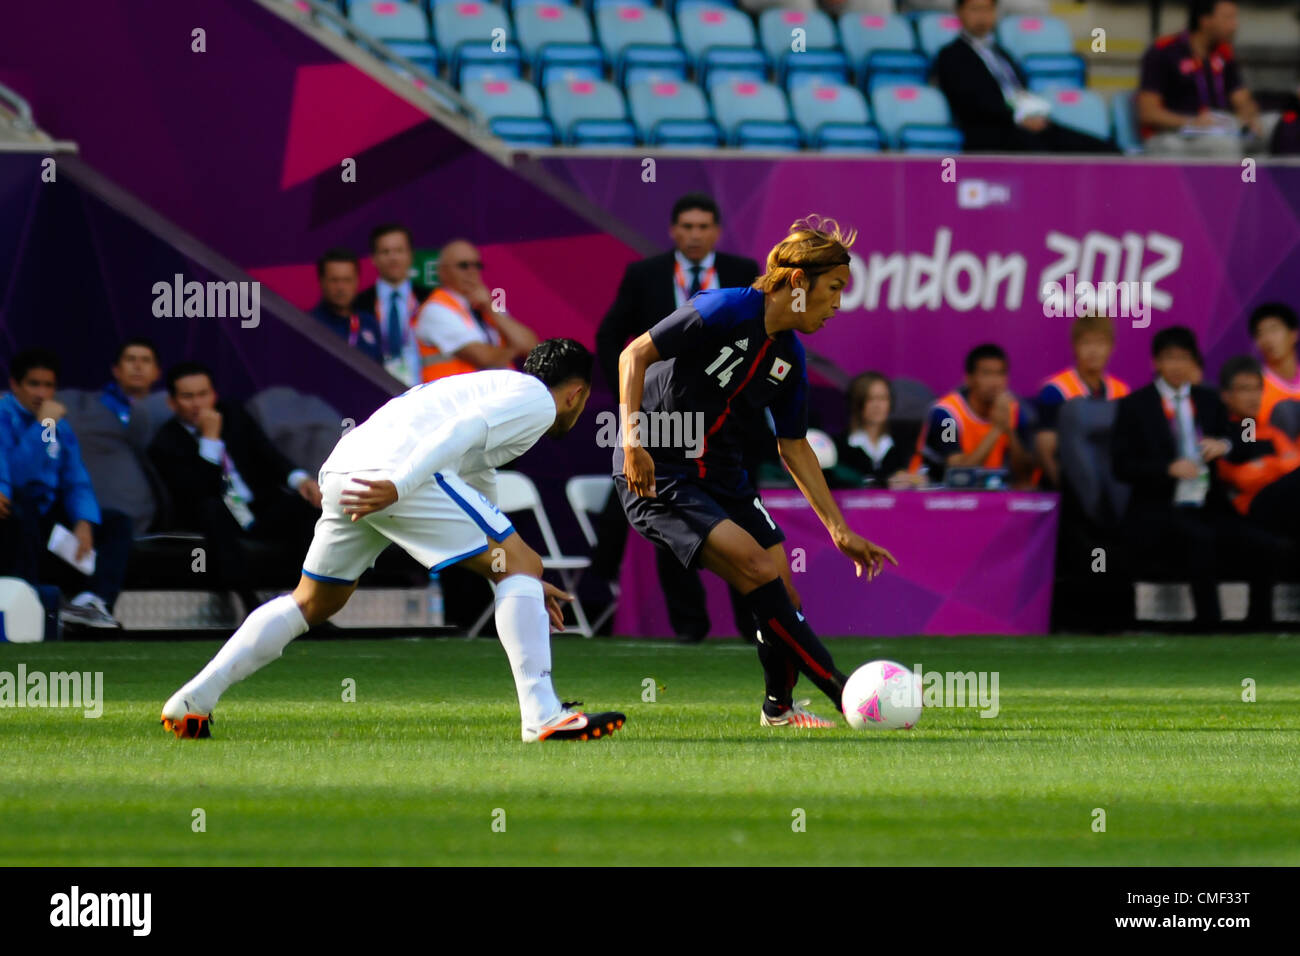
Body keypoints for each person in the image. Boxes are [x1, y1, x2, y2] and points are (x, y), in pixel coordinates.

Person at [160, 339, 626, 744]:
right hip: (392, 474)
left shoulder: (496, 389)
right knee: (522, 565)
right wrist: (402, 485)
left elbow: (478, 477)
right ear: (577, 394)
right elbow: (456, 434)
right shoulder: (537, 401)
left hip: (344, 473)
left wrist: (507, 570)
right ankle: (544, 716)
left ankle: (193, 698)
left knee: (312, 603)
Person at [615, 215, 897, 728]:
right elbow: (633, 354)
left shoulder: (789, 357)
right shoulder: (723, 308)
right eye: (833, 289)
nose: (838, 304)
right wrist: (633, 440)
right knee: (756, 571)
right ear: (796, 283)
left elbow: (795, 446)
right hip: (661, 467)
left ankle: (779, 710)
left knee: (782, 590)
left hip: (722, 472)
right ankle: (846, 693)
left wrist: (840, 530)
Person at [593, 193, 763, 643]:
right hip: (663, 421)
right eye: (686, 226)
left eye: (702, 226)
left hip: (726, 425)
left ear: (716, 231)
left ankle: (756, 627)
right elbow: (611, 337)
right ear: (673, 231)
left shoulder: (744, 274)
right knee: (675, 524)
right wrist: (632, 395)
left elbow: (762, 344)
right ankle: (690, 630)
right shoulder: (644, 275)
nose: (694, 235)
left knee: (740, 518)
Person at [1111, 327, 1272, 627]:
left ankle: (1259, 626)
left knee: (1260, 542)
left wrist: (1223, 444)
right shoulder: (1135, 405)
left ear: (1193, 362)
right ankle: (1210, 626)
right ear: (1155, 363)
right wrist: (1166, 468)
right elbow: (1120, 466)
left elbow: (1244, 438)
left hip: (1208, 503)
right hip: (1158, 505)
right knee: (1200, 539)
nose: (1176, 365)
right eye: (1169, 358)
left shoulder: (1209, 400)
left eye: (1183, 358)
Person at [147, 362, 324, 613]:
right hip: (216, 517)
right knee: (211, 509)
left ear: (213, 395)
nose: (198, 404)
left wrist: (301, 480)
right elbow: (199, 492)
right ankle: (250, 605)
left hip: (256, 506)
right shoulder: (165, 443)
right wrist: (209, 439)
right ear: (172, 403)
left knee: (303, 507)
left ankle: (312, 602)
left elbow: (267, 453)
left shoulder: (234, 414)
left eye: (203, 395)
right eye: (188, 397)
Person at [0, 348, 130, 628]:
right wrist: (44, 425)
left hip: (47, 518)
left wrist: (84, 520)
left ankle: (91, 603)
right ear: (14, 385)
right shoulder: (5, 416)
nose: (42, 393)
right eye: (34, 384)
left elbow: (76, 479)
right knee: (24, 504)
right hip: (14, 515)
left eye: (48, 385)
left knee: (116, 523)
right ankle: (30, 606)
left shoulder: (60, 426)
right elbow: (20, 475)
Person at [933, 0, 1116, 153]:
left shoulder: (1002, 53)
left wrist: (1031, 114)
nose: (982, 16)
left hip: (1024, 123)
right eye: (975, 9)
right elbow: (970, 103)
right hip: (992, 131)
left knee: (1101, 147)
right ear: (959, 12)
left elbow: (1019, 90)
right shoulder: (951, 55)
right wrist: (1017, 117)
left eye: (988, 9)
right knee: (1039, 150)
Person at [1137, 0, 1268, 157]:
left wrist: (1249, 118)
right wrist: (1192, 122)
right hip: (1173, 136)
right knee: (1224, 146)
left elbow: (1243, 100)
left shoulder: (1224, 53)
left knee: (1273, 130)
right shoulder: (1163, 52)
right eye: (1228, 18)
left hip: (1221, 128)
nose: (1235, 26)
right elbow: (1148, 113)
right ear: (1205, 21)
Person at [411, 238, 538, 381]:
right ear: (443, 272)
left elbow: (532, 347)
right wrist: (516, 347)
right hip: (457, 399)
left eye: (476, 265)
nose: (471, 272)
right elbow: (485, 358)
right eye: (463, 265)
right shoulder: (435, 309)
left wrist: (491, 310)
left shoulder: (485, 303)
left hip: (496, 395)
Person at [910, 344, 1036, 486]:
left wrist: (1009, 430)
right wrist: (997, 429)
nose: (995, 382)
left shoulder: (1013, 411)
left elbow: (1025, 476)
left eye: (1000, 373)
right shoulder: (946, 415)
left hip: (991, 493)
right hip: (936, 495)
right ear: (968, 379)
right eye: (987, 374)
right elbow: (959, 473)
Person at [1034, 314, 1131, 488]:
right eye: (1086, 343)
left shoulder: (1122, 392)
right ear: (1075, 347)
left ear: (1111, 347)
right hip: (1067, 488)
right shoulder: (1056, 390)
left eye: (1100, 343)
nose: (1093, 350)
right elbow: (1045, 451)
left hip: (1111, 489)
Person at [1217, 355, 1300, 544]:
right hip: (1249, 510)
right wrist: (1279, 464)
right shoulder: (1221, 433)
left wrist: (1264, 465)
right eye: (1245, 389)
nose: (1253, 397)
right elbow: (1243, 479)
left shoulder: (1270, 432)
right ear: (1226, 395)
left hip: (1283, 506)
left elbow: (1295, 464)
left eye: (1257, 389)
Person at [352, 223, 433, 385]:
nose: (393, 257)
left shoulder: (430, 299)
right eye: (385, 252)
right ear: (374, 258)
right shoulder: (358, 303)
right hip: (376, 387)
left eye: (399, 251)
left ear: (410, 255)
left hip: (424, 387)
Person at [829, 372, 918, 488]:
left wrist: (916, 480)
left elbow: (920, 476)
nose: (877, 405)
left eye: (883, 398)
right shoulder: (838, 446)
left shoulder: (904, 443)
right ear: (857, 403)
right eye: (870, 399)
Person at [310, 248, 383, 363]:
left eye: (347, 280)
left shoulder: (369, 324)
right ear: (322, 281)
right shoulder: (309, 325)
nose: (341, 288)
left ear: (357, 281)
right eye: (334, 280)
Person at [1248, 302, 1300, 427]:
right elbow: (1246, 436)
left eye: (1274, 329)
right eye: (1261, 333)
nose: (1268, 339)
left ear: (1294, 334)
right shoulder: (1252, 387)